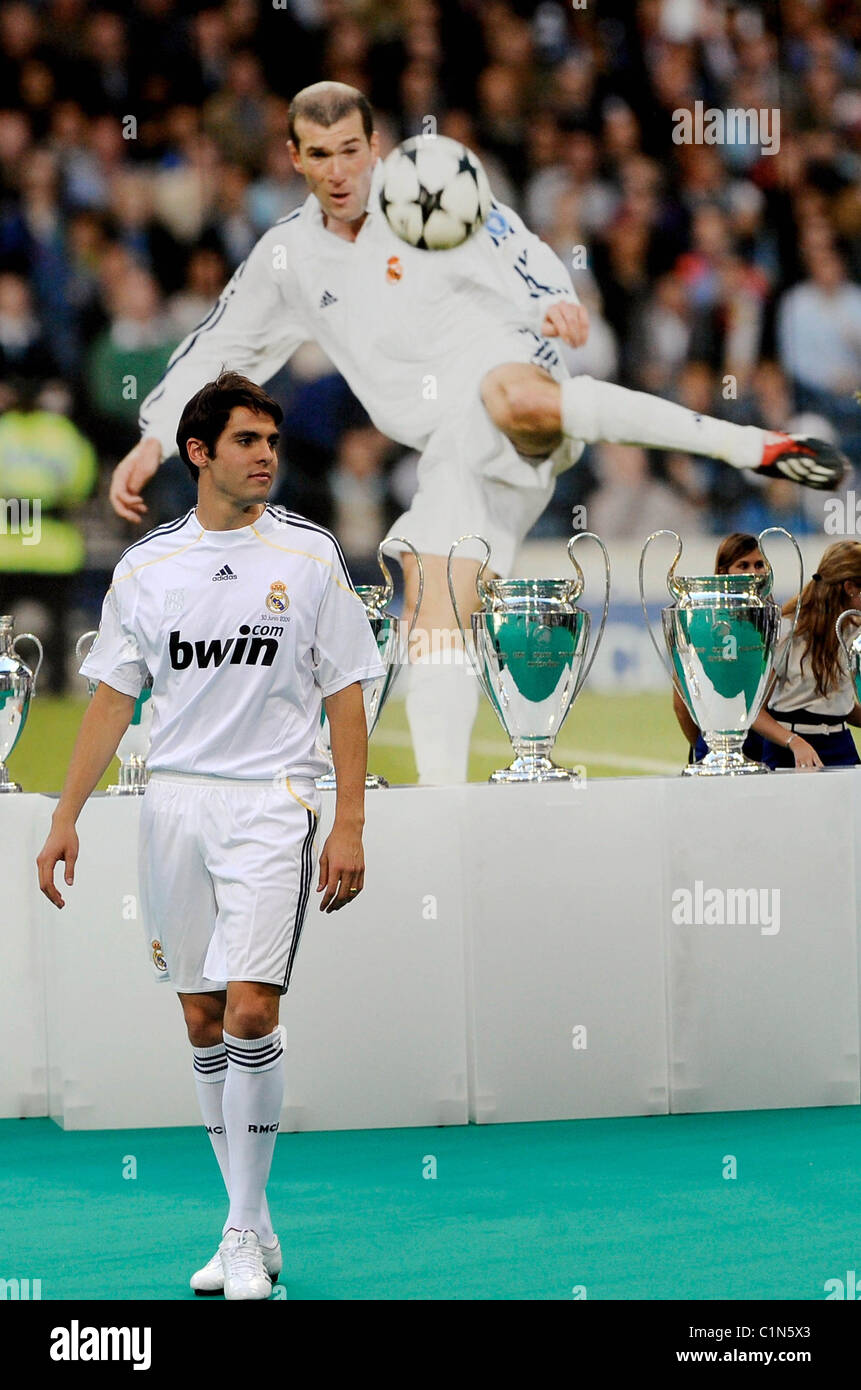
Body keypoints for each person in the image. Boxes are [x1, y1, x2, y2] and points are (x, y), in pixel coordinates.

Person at [106, 81, 848, 786]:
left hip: (509, 376)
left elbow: (512, 240)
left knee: (510, 392)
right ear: (294, 158)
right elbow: (219, 342)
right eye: (318, 154)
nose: (338, 170)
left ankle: (753, 446)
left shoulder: (430, 182)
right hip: (450, 453)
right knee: (434, 604)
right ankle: (443, 809)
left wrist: (555, 298)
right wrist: (154, 435)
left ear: (376, 144)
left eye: (350, 149)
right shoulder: (287, 256)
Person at [36, 371, 387, 1300]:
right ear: (199, 453)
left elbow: (346, 690)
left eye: (271, 441)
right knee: (199, 1020)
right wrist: (64, 816)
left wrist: (348, 820)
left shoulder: (309, 557)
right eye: (246, 441)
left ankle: (236, 1232)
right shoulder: (147, 567)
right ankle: (254, 1218)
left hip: (273, 802)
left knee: (251, 1013)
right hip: (173, 802)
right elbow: (115, 696)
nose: (266, 455)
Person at [754, 540, 861, 771]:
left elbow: (836, 704)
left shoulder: (854, 630)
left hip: (841, 744)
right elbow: (754, 712)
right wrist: (795, 742)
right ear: (850, 586)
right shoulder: (786, 631)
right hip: (790, 748)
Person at [672, 533, 767, 767]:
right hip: (716, 737)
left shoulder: (772, 618)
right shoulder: (704, 622)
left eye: (759, 564)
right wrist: (706, 743)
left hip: (769, 739)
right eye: (742, 566)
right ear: (724, 572)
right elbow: (681, 700)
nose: (752, 573)